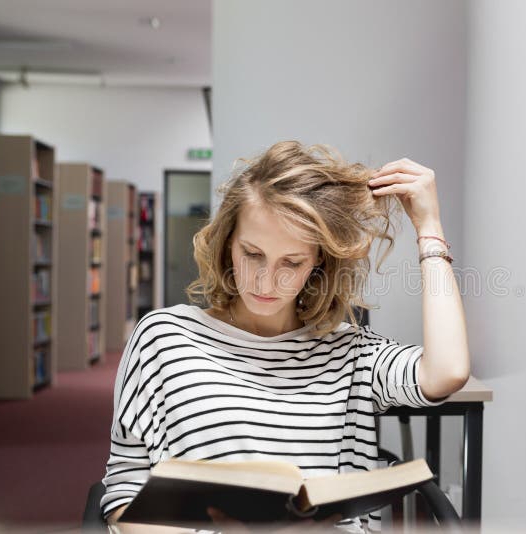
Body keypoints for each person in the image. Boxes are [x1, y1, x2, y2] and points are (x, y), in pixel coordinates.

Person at [100, 141, 470, 532]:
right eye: (252, 253)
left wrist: (429, 229)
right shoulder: (165, 339)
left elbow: (446, 372)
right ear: (228, 245)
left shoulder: (349, 352)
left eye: (291, 262)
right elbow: (125, 493)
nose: (266, 280)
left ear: (317, 263)